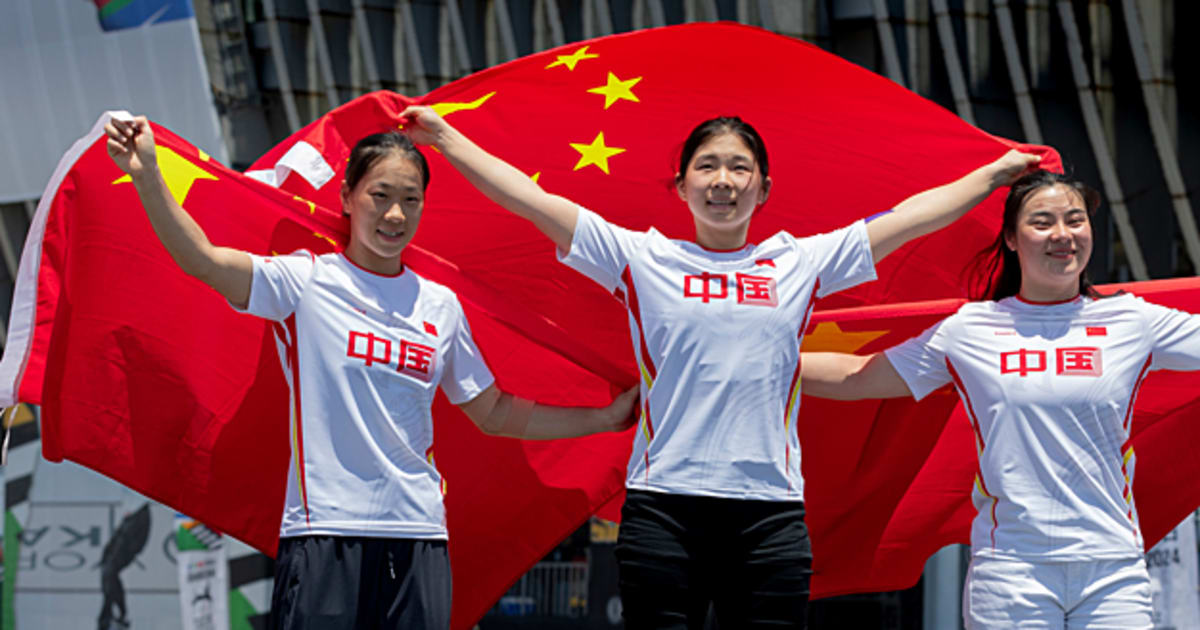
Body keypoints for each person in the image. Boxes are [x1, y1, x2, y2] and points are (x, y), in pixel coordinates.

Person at [400, 106, 1040, 628]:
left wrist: (994, 176)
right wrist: (449, 140)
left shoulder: (798, 263)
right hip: (662, 513)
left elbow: (906, 221)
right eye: (707, 167)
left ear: (763, 188)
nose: (723, 181)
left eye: (740, 168)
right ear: (681, 186)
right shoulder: (640, 258)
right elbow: (533, 203)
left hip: (769, 515)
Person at [103, 116, 637, 630]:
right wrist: (146, 173)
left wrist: (605, 418)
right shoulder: (307, 282)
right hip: (325, 534)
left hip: (419, 535)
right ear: (347, 198)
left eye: (411, 199)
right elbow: (203, 259)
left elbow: (495, 412)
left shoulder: (440, 305)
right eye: (380, 196)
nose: (396, 215)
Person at [799, 169, 1200, 629]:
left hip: (1112, 571)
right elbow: (855, 375)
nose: (1062, 235)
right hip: (1010, 571)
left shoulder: (1132, 320)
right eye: (1042, 222)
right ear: (1011, 238)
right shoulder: (970, 329)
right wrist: (750, 350)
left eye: (1075, 220)